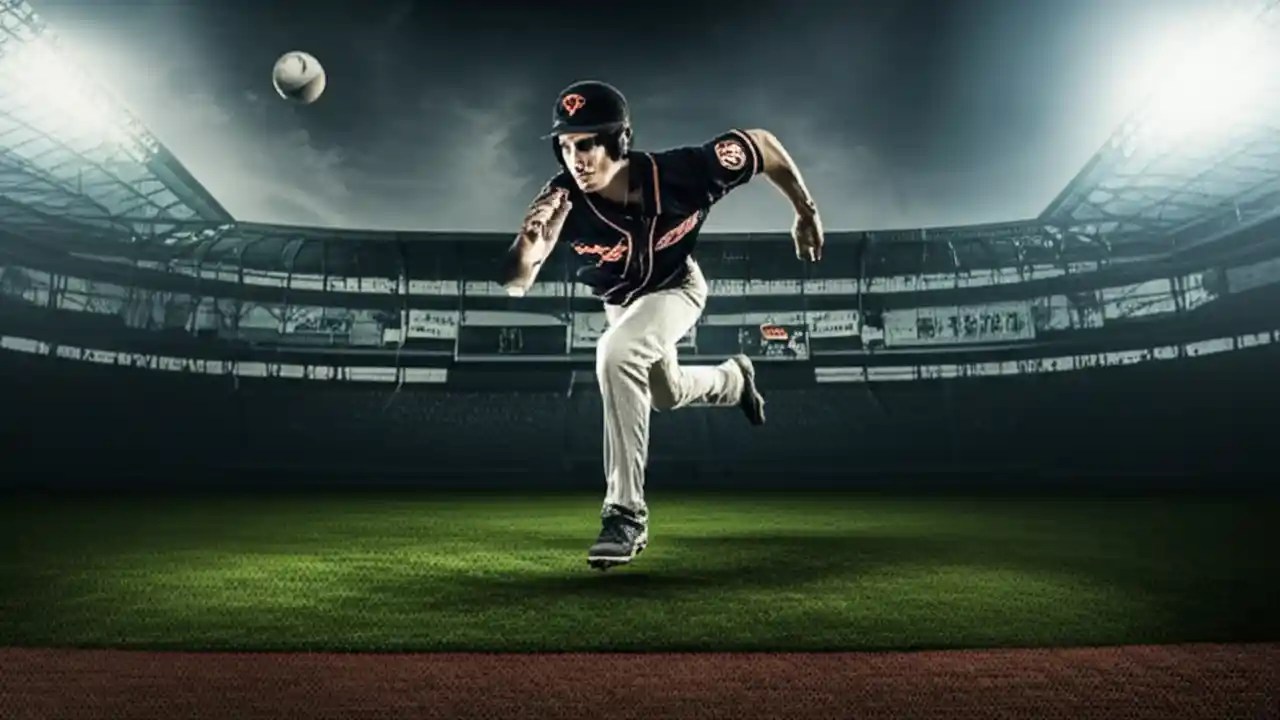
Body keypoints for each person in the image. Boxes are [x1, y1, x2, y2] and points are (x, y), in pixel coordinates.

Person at [500, 80, 823, 570]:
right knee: (666, 393)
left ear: (619, 140)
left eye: (586, 144)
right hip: (622, 305)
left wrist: (805, 210)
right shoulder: (561, 200)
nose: (575, 158)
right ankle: (734, 380)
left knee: (615, 352)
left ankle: (625, 513)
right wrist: (528, 245)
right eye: (564, 146)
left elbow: (762, 144)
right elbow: (516, 281)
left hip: (678, 288)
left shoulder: (685, 172)